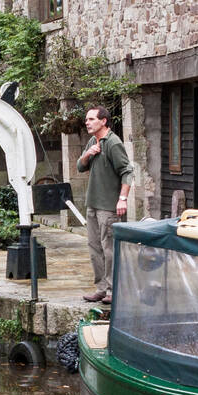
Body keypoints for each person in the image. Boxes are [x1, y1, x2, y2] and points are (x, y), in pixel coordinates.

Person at [76, 105, 133, 304]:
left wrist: (122, 199)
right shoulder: (93, 141)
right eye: (87, 119)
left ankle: (112, 289)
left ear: (103, 121)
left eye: (91, 119)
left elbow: (127, 171)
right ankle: (101, 288)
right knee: (94, 247)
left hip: (109, 206)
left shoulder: (113, 143)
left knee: (109, 249)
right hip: (92, 203)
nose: (87, 122)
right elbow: (80, 166)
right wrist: (88, 154)